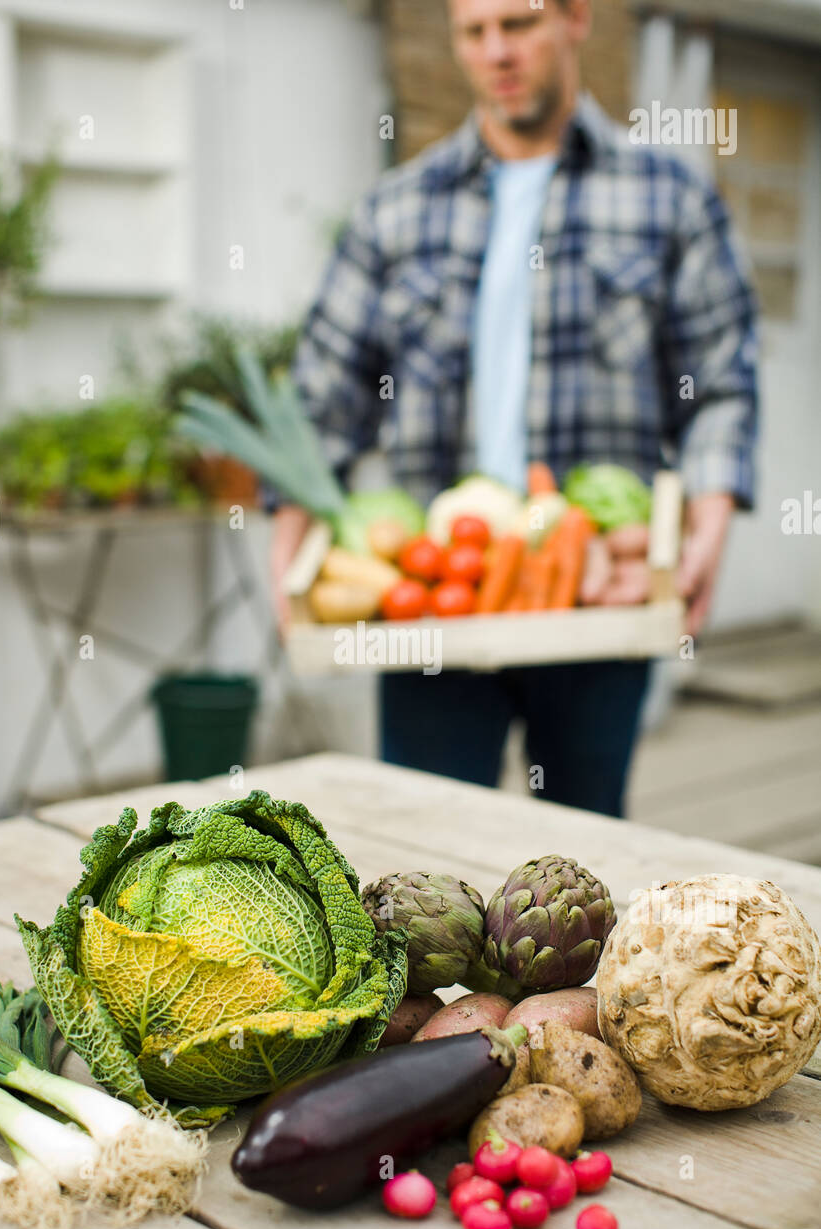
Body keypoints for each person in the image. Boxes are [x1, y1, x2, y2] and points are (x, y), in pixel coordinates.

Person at [271, 0, 758, 817]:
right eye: (474, 31)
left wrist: (708, 519)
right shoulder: (395, 211)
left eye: (519, 23)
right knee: (427, 856)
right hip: (437, 593)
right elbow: (324, 397)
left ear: (575, 18)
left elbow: (720, 382)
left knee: (578, 859)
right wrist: (288, 561)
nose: (497, 51)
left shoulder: (668, 199)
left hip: (597, 589)